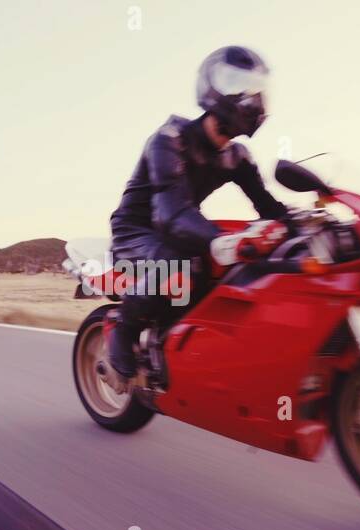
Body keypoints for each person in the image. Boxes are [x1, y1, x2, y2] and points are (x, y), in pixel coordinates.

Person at [107, 45, 290, 381]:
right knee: (179, 264)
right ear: (211, 87)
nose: (250, 98)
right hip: (137, 230)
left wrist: (308, 224)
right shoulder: (169, 139)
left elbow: (268, 208)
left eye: (256, 89)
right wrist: (224, 242)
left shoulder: (238, 157)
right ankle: (125, 328)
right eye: (236, 83)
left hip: (180, 228)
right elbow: (171, 214)